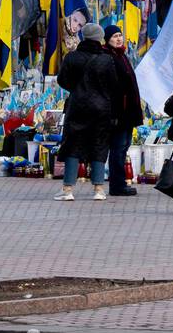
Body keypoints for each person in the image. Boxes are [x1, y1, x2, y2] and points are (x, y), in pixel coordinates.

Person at [54, 23, 117, 201]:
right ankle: (98, 189)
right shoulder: (106, 59)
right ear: (100, 38)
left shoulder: (72, 57)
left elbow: (62, 80)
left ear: (83, 36)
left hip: (78, 106)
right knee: (99, 144)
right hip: (101, 108)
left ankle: (68, 189)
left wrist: (78, 89)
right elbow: (113, 85)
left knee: (73, 145)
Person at [102, 24, 143, 197]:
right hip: (118, 112)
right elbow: (113, 88)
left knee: (124, 146)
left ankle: (119, 183)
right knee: (118, 149)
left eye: (120, 35)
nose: (118, 38)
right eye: (114, 36)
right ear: (107, 39)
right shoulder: (108, 57)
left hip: (128, 112)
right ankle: (117, 185)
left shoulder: (121, 55)